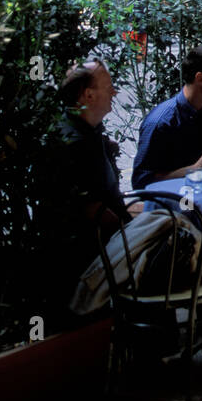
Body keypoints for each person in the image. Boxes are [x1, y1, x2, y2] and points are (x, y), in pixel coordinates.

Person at [38, 60, 137, 323]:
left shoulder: (87, 133)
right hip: (92, 256)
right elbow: (88, 210)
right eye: (109, 86)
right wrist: (133, 228)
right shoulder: (72, 142)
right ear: (89, 95)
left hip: (108, 242)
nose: (115, 92)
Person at [131, 44, 202, 189]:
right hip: (172, 204)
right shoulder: (162, 122)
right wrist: (194, 169)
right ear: (200, 78)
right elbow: (141, 181)